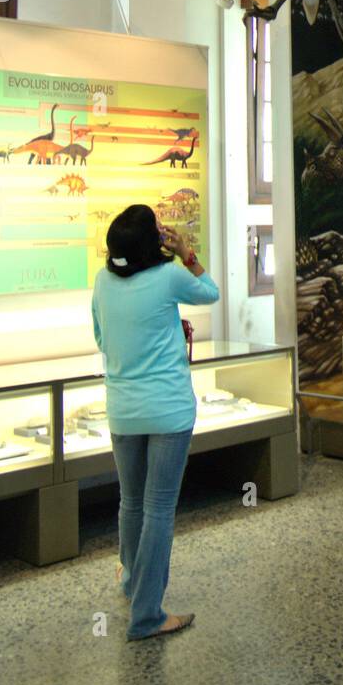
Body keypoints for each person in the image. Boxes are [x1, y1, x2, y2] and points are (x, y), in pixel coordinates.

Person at [91, 204, 220, 640]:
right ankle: (147, 615)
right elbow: (210, 292)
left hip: (123, 411)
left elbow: (101, 338)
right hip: (168, 410)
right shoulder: (168, 277)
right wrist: (186, 252)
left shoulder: (102, 281)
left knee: (131, 502)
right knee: (159, 509)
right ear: (155, 241)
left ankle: (131, 584)